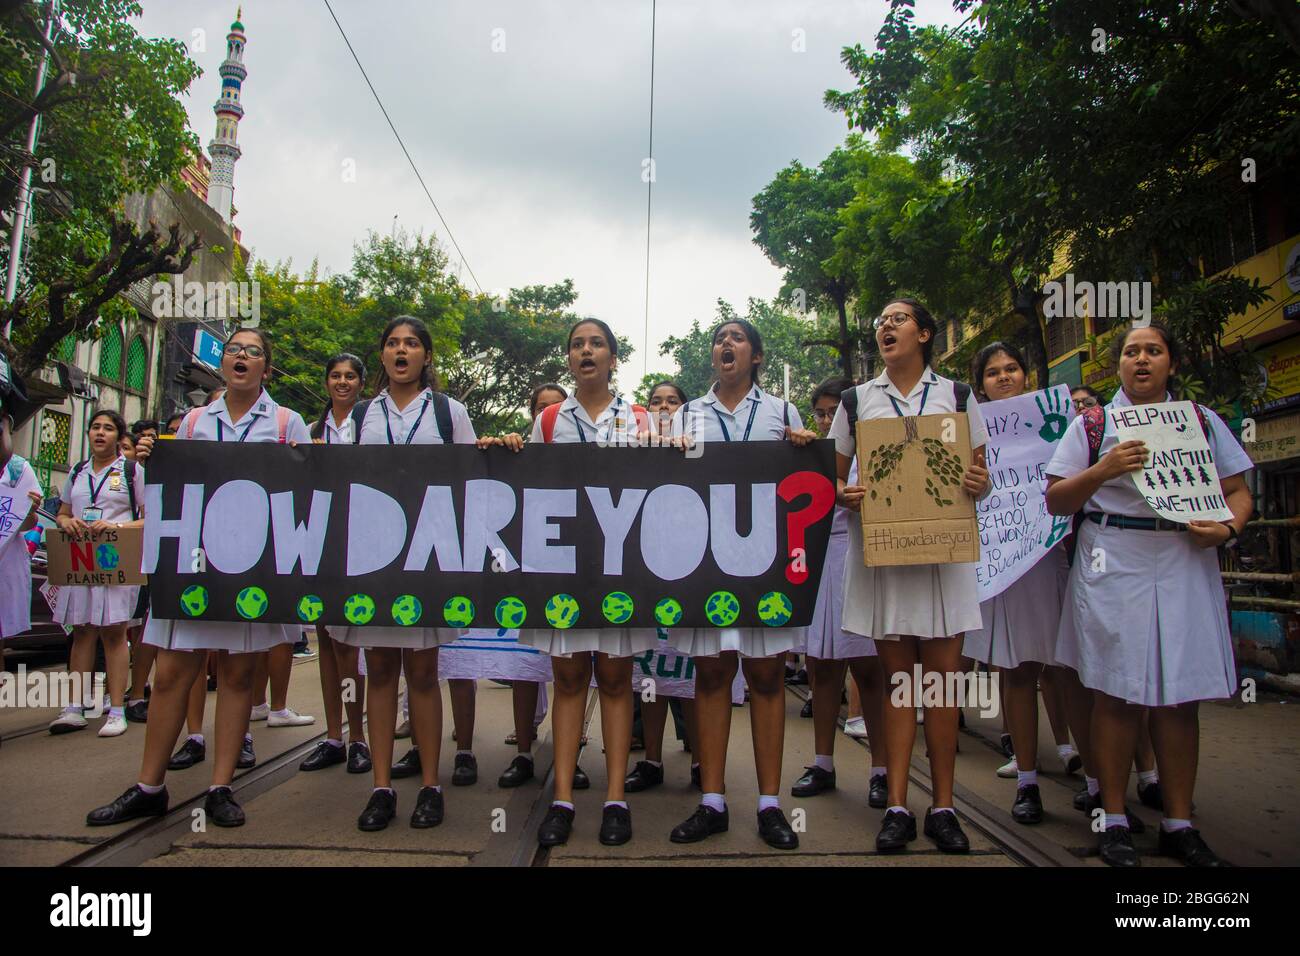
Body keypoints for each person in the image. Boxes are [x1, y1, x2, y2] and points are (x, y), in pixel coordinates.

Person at [85, 327, 312, 828]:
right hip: (194, 567)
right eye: (234, 349)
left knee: (236, 675)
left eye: (253, 351)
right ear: (223, 363)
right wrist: (148, 460)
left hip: (253, 570)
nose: (241, 356)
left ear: (265, 370)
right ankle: (149, 786)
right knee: (170, 674)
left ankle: (221, 787)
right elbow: (165, 492)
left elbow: (306, 493)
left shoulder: (285, 422)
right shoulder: (189, 424)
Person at [1045, 321, 1252, 868]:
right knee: (1116, 694)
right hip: (1114, 557)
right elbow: (1057, 500)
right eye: (1131, 352)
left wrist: (1228, 529)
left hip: (1185, 556)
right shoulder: (1093, 425)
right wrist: (1104, 468)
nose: (1141, 360)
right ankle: (1113, 818)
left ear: (1171, 364)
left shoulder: (1201, 422)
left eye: (1153, 351)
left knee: (1180, 698)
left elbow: (1236, 491)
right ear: (1117, 366)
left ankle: (1179, 823)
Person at [829, 298, 991, 854]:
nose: (885, 327)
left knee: (942, 690)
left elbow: (981, 475)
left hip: (945, 561)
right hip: (886, 557)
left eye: (898, 319)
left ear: (925, 333)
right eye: (880, 322)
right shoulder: (855, 402)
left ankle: (943, 808)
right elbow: (833, 482)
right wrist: (845, 495)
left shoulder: (959, 397)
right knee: (899, 688)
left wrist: (976, 485)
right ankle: (897, 805)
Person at [667, 318, 819, 851]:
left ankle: (770, 804)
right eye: (718, 338)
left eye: (736, 338)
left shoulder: (781, 413)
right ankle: (712, 801)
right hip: (706, 566)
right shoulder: (687, 415)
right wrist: (669, 450)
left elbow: (804, 486)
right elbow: (664, 490)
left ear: (756, 356)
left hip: (766, 567)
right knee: (710, 677)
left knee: (768, 678)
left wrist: (804, 447)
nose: (724, 344)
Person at [335, 316, 480, 833]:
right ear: (382, 356)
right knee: (379, 671)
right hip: (374, 562)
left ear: (426, 356)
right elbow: (336, 483)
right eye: (393, 343)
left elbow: (474, 481)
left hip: (428, 559)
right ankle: (380, 788)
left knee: (422, 672)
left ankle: (429, 786)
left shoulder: (449, 413)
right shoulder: (360, 417)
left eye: (411, 343)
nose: (401, 351)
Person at [524, 318, 658, 848]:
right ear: (569, 359)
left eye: (596, 344)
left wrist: (680, 448)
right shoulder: (551, 420)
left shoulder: (642, 419)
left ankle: (616, 798)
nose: (586, 351)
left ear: (612, 359)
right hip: (563, 567)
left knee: (618, 680)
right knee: (569, 678)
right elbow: (528, 488)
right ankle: (561, 799)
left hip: (622, 568)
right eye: (577, 344)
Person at [962, 342, 1078, 825]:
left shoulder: (1061, 424)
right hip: (998, 562)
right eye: (993, 372)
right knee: (1015, 672)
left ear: (1027, 376)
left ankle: (1095, 783)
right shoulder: (964, 429)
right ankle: (1027, 780)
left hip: (1046, 560)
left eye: (1012, 369)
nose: (1004, 377)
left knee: (1067, 671)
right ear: (980, 383)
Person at [788, 376, 889, 809]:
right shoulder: (808, 451)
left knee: (869, 669)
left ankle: (882, 770)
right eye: (822, 413)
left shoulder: (876, 449)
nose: (828, 419)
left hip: (862, 558)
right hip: (819, 560)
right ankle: (823, 762)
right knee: (822, 666)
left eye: (836, 412)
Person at [47, 410, 147, 738]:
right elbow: (62, 513)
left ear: (119, 436)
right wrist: (66, 522)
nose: (100, 433)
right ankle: (75, 707)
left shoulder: (132, 472)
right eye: (95, 427)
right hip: (80, 560)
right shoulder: (77, 471)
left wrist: (116, 525)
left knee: (114, 632)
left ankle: (117, 708)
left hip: (114, 559)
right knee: (82, 631)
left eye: (108, 428)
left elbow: (151, 518)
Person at [624, 381, 699, 793]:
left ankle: (702, 762)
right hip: (645, 573)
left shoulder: (699, 444)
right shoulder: (632, 444)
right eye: (656, 401)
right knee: (650, 673)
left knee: (691, 672)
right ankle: (651, 760)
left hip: (691, 573)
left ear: (686, 409)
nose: (664, 407)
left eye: (673, 401)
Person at [298, 353, 371, 774]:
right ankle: (332, 736)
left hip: (359, 546)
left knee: (350, 647)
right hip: (318, 543)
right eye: (335, 376)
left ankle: (358, 735)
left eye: (350, 376)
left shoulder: (371, 426)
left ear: (361, 383)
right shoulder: (311, 430)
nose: (341, 382)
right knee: (325, 641)